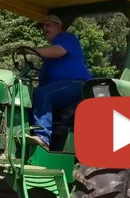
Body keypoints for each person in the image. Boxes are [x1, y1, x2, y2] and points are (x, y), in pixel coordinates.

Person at [21, 14, 91, 150]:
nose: (44, 29)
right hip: (63, 88)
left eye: (48, 25)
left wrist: (33, 51)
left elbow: (58, 51)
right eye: (43, 26)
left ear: (59, 26)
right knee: (30, 97)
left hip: (78, 85)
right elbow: (43, 80)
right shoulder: (49, 59)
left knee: (43, 95)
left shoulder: (66, 38)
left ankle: (42, 137)